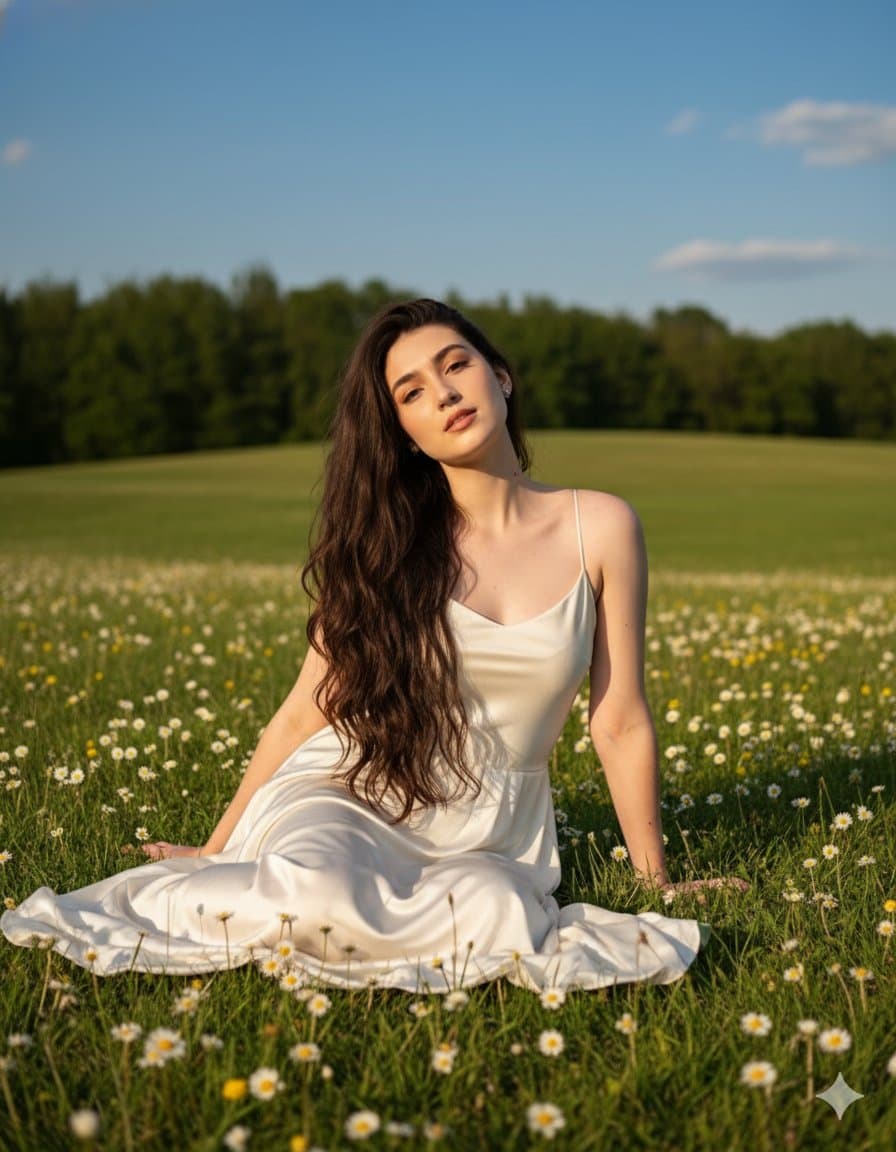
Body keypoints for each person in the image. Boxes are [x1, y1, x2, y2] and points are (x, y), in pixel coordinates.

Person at [1, 298, 743, 990]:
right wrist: (217, 845)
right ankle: (247, 882)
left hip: (491, 827)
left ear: (502, 376)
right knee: (314, 893)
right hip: (353, 790)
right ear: (404, 434)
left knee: (498, 913)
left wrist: (656, 884)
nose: (445, 394)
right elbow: (302, 715)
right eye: (412, 392)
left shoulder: (602, 526)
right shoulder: (387, 546)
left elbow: (617, 719)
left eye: (456, 366)